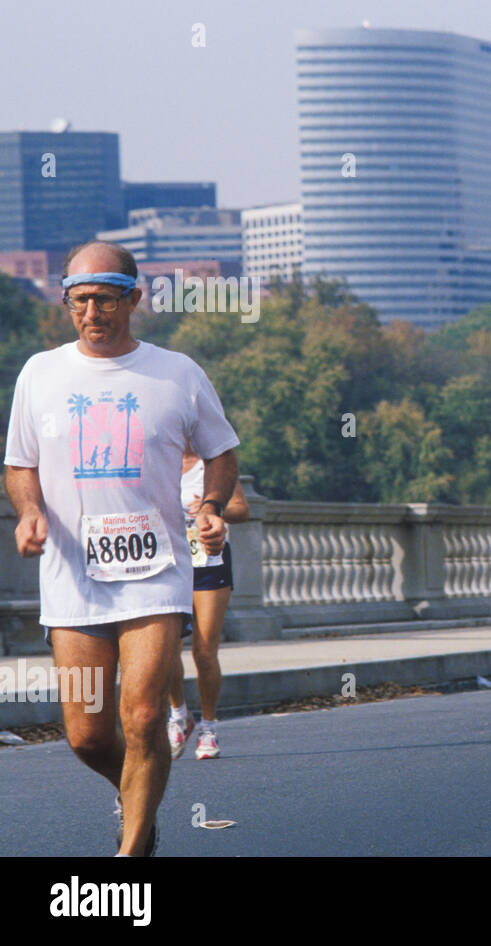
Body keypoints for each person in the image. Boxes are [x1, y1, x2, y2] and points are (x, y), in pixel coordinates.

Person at [4, 241, 239, 855]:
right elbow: (19, 464)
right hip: (72, 581)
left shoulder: (177, 373)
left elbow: (222, 451)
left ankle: (131, 857)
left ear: (133, 299)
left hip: (154, 575)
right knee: (86, 734)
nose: (92, 314)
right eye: (79, 301)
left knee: (141, 717)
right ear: (66, 304)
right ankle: (137, 792)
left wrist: (211, 507)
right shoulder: (41, 373)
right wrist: (29, 511)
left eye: (105, 300)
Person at [167, 446, 250, 760]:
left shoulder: (212, 465)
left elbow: (242, 509)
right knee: (166, 649)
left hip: (209, 563)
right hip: (168, 564)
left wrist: (210, 509)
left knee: (203, 650)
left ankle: (208, 728)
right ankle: (179, 715)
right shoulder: (158, 458)